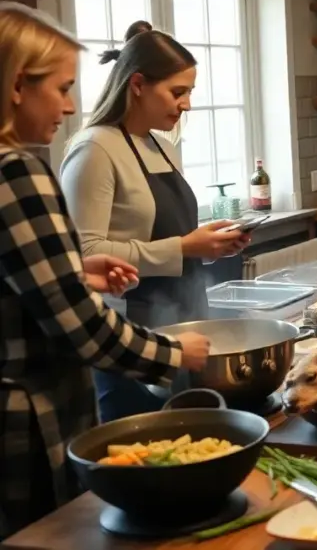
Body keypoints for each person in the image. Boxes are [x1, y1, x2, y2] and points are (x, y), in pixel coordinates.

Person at [0, 3, 210, 539]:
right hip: (31, 421)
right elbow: (79, 324)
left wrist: (74, 268)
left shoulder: (151, 146)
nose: (70, 106)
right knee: (59, 533)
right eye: (61, 87)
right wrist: (173, 353)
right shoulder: (20, 171)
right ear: (18, 85)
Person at [59, 23, 248, 422]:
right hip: (129, 330)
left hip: (186, 318)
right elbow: (82, 254)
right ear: (139, 84)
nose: (187, 105)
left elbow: (169, 240)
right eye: (178, 92)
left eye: (190, 92)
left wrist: (210, 248)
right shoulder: (95, 149)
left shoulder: (161, 147)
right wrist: (183, 248)